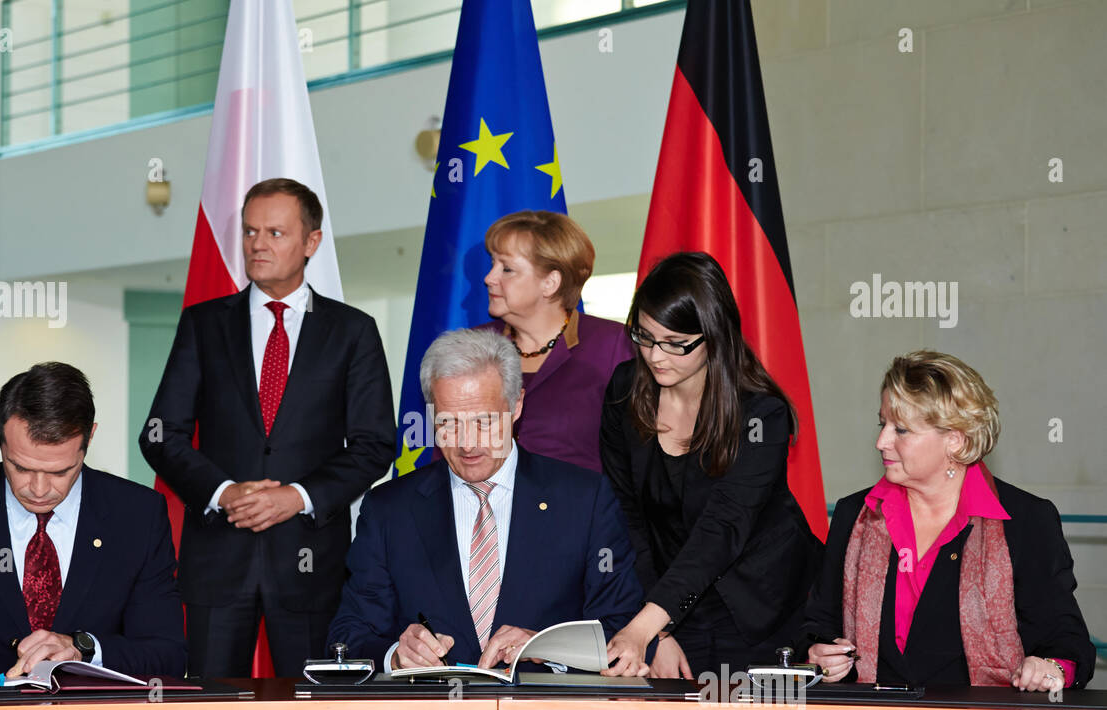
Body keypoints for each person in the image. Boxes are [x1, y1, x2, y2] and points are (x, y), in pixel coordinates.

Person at [140, 178, 395, 678]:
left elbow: (374, 444)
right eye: (250, 231)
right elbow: (159, 434)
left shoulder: (352, 330)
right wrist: (223, 492)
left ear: (311, 242)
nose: (258, 244)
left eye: (275, 233)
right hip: (218, 559)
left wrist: (297, 496)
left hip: (310, 561)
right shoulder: (203, 324)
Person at [328, 329, 643, 671]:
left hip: (545, 704)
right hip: (432, 704)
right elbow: (347, 636)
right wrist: (396, 655)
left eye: (483, 422)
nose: (467, 444)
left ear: (516, 405)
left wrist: (546, 647)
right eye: (448, 423)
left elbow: (621, 625)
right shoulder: (389, 509)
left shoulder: (584, 499)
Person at [803, 351, 1095, 691]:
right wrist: (817, 654)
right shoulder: (854, 514)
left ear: (955, 440)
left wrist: (1051, 667)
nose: (881, 442)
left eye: (901, 429)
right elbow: (817, 624)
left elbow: (1066, 640)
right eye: (882, 424)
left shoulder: (1027, 520)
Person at [0, 362, 187, 678]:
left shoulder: (138, 514)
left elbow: (168, 655)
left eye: (60, 471)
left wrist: (84, 649)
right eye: (21, 468)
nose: (38, 490)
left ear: (90, 437)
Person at [600, 252, 822, 679]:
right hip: (670, 601)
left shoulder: (761, 415)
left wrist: (644, 628)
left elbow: (722, 529)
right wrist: (658, 631)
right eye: (644, 336)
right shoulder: (624, 390)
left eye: (676, 343)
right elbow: (626, 516)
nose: (656, 356)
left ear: (715, 336)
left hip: (760, 607)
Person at [475, 210, 631, 472]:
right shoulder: (472, 347)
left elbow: (637, 454)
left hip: (584, 498)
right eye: (493, 264)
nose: (489, 278)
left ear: (550, 282)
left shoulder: (614, 345)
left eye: (507, 269)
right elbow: (446, 448)